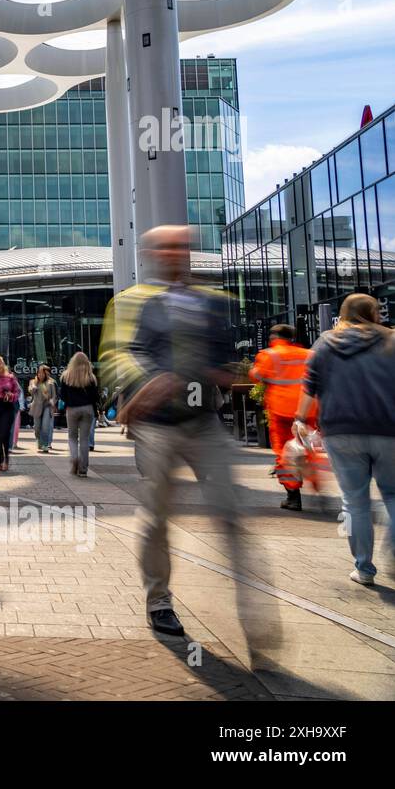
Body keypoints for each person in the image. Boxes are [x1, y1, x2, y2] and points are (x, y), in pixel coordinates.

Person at [100, 225, 270, 643]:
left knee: (230, 510)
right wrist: (148, 381)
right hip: (157, 426)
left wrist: (231, 374)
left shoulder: (214, 303)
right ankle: (159, 600)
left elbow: (225, 359)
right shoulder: (132, 302)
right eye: (168, 247)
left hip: (204, 423)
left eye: (183, 247)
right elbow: (117, 353)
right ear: (151, 254)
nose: (177, 254)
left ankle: (251, 603)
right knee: (157, 514)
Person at [294, 293, 395, 586]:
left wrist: (300, 419)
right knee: (393, 494)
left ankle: (364, 568)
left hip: (341, 431)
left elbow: (309, 385)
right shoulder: (391, 340)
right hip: (389, 428)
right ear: (374, 312)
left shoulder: (326, 343)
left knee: (354, 502)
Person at [250, 323, 314, 510]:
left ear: (272, 337)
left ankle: (293, 496)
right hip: (308, 409)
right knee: (307, 447)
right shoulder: (309, 355)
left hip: (281, 411)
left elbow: (256, 376)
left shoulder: (269, 355)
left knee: (284, 453)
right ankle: (315, 478)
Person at [59, 351, 98, 478]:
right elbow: (95, 397)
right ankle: (83, 469)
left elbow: (62, 396)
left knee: (72, 437)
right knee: (85, 439)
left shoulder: (66, 376)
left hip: (72, 409)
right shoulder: (91, 377)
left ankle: (74, 457)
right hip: (87, 409)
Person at [28, 365, 57, 454]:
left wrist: (52, 401)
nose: (40, 375)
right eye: (39, 373)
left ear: (45, 374)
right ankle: (39, 440)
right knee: (37, 427)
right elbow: (30, 390)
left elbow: (54, 396)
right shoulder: (33, 382)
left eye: (42, 373)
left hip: (47, 406)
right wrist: (33, 388)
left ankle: (45, 444)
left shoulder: (51, 383)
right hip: (37, 406)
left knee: (45, 426)